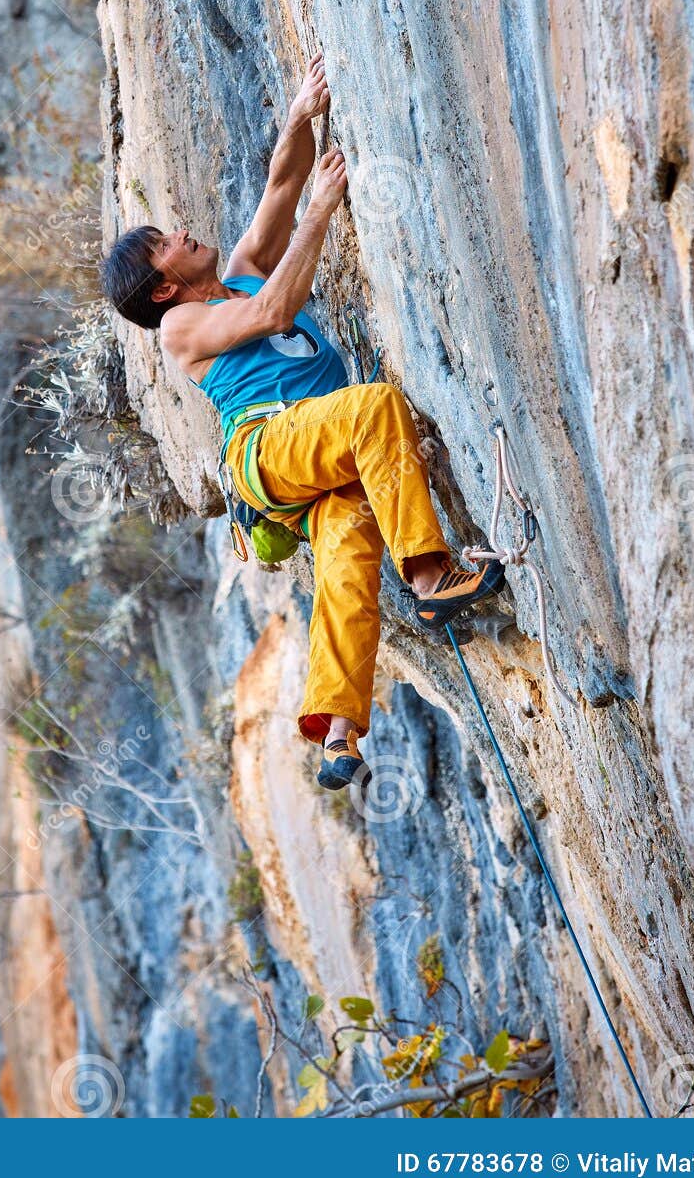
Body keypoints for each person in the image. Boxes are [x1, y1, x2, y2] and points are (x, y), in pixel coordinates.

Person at [100, 53, 504, 789]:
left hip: (313, 456)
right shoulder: (181, 327)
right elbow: (272, 312)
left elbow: (282, 183)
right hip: (267, 448)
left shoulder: (245, 264)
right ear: (162, 287)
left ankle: (338, 731)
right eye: (170, 241)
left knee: (349, 553)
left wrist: (299, 116)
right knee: (374, 405)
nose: (186, 231)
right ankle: (430, 574)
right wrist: (320, 213)